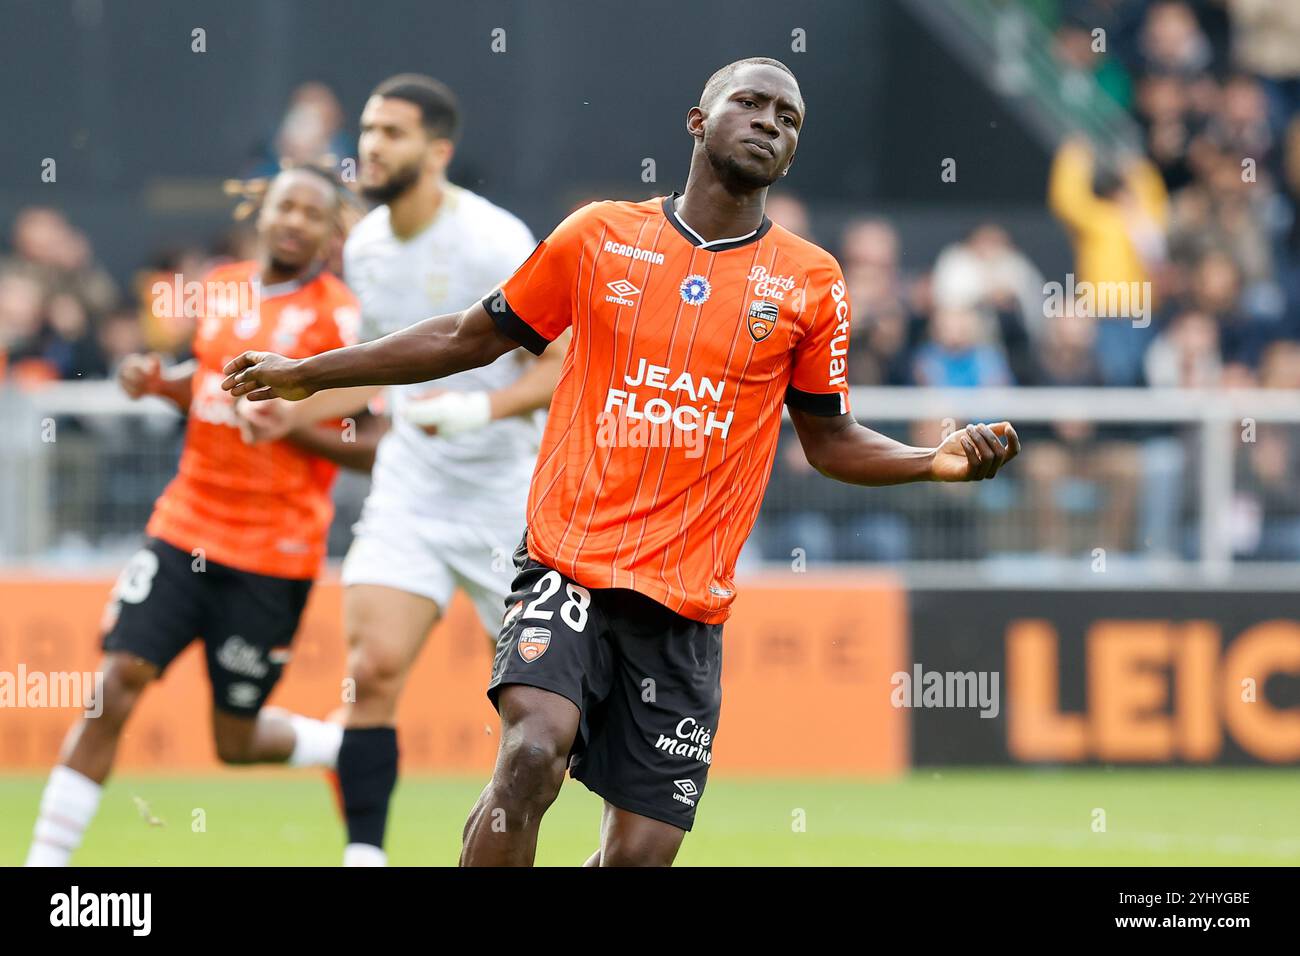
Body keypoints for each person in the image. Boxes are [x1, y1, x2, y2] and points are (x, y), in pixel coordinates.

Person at [222, 57, 1021, 867]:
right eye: (749, 102)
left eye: (788, 117)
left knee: (638, 856)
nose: (769, 121)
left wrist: (935, 461)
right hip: (568, 564)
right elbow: (468, 337)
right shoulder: (600, 235)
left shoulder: (812, 282)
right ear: (696, 120)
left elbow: (832, 440)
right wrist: (308, 371)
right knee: (534, 752)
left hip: (684, 608)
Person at [238, 74, 566, 867]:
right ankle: (365, 859)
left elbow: (564, 361)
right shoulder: (369, 246)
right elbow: (382, 369)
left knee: (546, 714)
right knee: (371, 668)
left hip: (503, 499)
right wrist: (294, 406)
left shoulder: (493, 239)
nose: (371, 146)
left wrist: (480, 411)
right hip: (411, 491)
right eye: (368, 129)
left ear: (438, 150)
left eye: (391, 132)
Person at [24, 166, 373, 866]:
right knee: (116, 684)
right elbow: (208, 383)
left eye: (313, 212)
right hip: (185, 526)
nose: (295, 221)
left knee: (234, 742)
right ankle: (44, 865)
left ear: (333, 232)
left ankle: (332, 747)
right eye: (286, 206)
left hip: (273, 553)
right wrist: (159, 381)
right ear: (262, 213)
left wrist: (291, 423)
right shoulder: (219, 285)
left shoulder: (341, 317)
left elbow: (368, 445)